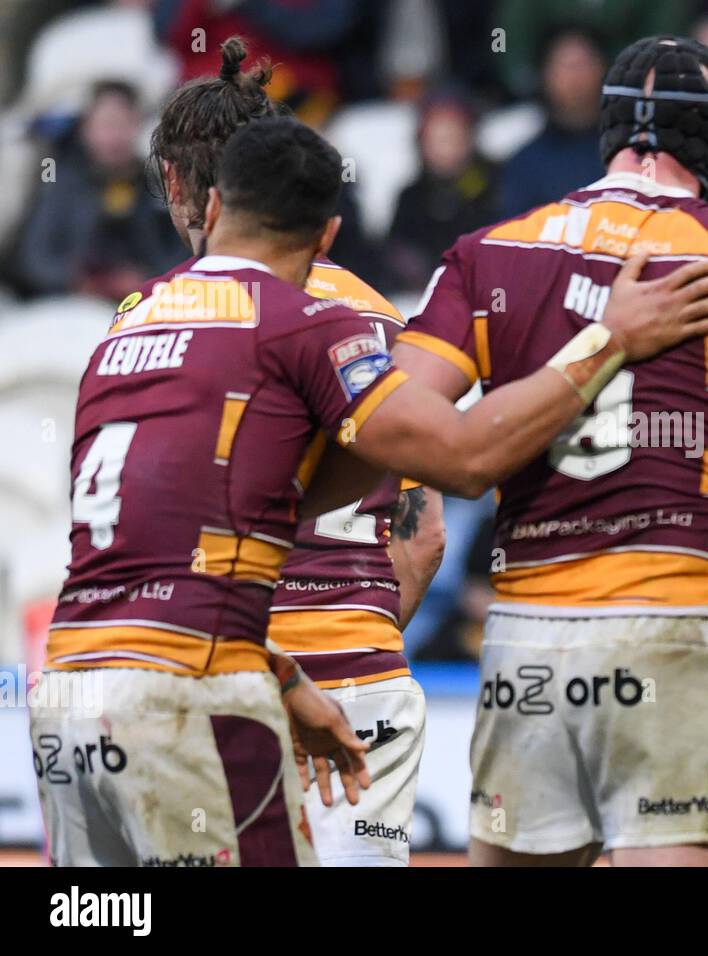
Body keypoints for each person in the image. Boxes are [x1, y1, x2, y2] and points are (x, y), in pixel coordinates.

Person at [29, 115, 708, 867]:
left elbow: (166, 552)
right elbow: (465, 461)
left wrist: (286, 678)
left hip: (71, 692)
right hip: (198, 694)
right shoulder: (307, 324)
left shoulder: (123, 327)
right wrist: (613, 339)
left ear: (209, 210)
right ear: (329, 235)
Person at [394, 35, 708, 867]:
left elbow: (394, 426)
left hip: (529, 643)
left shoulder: (488, 254)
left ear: (607, 131)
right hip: (678, 626)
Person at [147, 36, 444, 867]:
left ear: (179, 185)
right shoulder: (382, 318)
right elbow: (424, 538)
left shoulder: (159, 321)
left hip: (219, 680)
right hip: (363, 678)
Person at [16, 80, 181, 299]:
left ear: (139, 126)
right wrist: (76, 279)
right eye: (106, 125)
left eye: (123, 124)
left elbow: (183, 253)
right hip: (73, 307)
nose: (114, 136)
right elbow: (35, 258)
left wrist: (147, 278)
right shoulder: (61, 185)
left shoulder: (159, 185)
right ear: (86, 129)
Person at [386, 88, 498, 294]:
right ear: (422, 141)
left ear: (469, 136)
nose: (445, 148)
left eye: (452, 136)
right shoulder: (411, 196)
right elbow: (396, 253)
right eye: (436, 139)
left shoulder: (493, 184)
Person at [497, 27, 607, 218]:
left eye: (581, 64)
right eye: (564, 66)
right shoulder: (525, 163)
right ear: (546, 74)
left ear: (601, 69)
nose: (574, 77)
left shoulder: (631, 152)